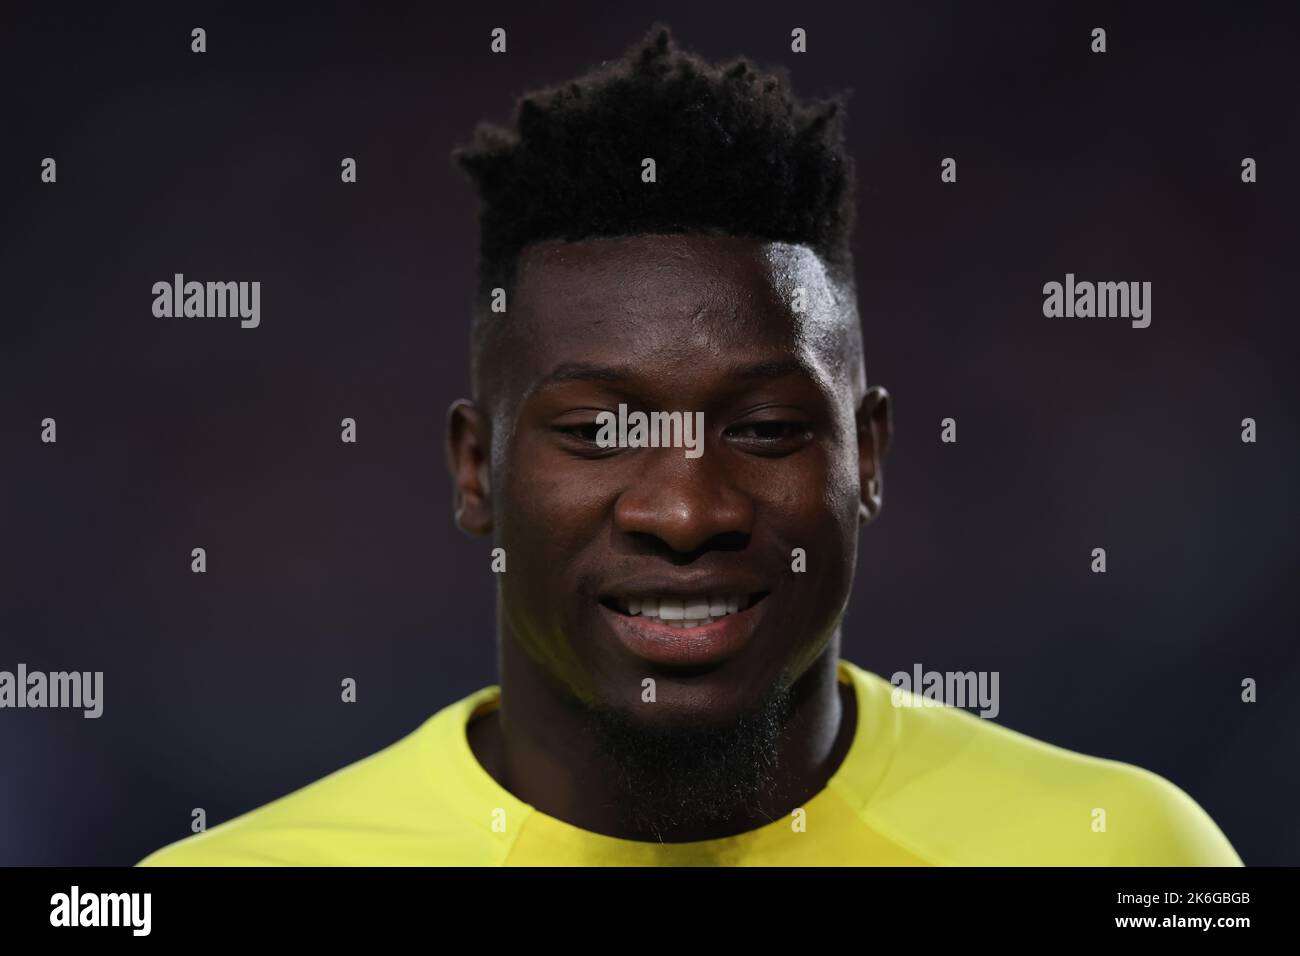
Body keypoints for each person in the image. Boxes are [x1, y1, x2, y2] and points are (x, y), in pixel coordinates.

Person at [139, 26, 1240, 866]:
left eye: (765, 427)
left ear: (869, 455)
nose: (685, 507)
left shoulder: (1125, 850)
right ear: (476, 467)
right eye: (600, 429)